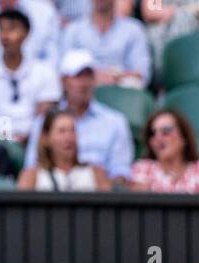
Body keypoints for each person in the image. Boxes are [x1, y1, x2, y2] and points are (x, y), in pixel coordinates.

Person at [22, 49, 133, 185]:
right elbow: (32, 165)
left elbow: (120, 171)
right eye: (78, 76)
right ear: (64, 81)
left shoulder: (115, 122)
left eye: (89, 76)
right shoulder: (43, 121)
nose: (84, 83)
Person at [0, 8, 60, 142]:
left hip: (32, 144)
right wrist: (3, 141)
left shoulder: (44, 73)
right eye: (2, 29)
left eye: (12, 29)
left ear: (26, 34)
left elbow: (44, 121)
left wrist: (26, 140)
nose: (5, 36)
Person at [60, 0, 150, 88]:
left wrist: (113, 77)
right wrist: (94, 76)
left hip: (121, 90)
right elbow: (65, 69)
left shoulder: (134, 30)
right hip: (83, 89)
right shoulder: (73, 30)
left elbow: (142, 74)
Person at [18, 107, 111, 192]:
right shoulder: (32, 176)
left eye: (72, 130)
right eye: (62, 131)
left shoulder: (96, 174)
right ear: (46, 138)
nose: (69, 138)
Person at [131, 109, 199, 194]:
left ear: (184, 137)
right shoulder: (143, 169)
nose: (158, 138)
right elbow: (141, 204)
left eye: (166, 130)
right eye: (152, 133)